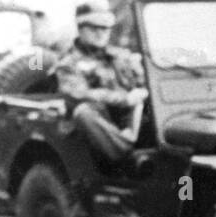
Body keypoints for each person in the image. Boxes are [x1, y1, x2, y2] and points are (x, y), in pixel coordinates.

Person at [55, 0, 147, 165]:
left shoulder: (121, 57)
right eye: (94, 28)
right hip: (95, 129)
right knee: (83, 111)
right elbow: (80, 94)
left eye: (105, 28)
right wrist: (125, 99)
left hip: (126, 120)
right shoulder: (68, 64)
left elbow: (141, 83)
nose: (101, 33)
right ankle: (125, 151)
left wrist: (143, 87)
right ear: (81, 29)